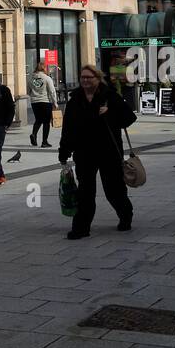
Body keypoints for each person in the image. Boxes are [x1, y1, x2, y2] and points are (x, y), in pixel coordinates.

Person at [58, 63, 136, 239]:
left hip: (108, 151)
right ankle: (81, 228)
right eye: (83, 77)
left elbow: (129, 118)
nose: (85, 80)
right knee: (85, 192)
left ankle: (125, 215)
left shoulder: (110, 96)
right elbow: (68, 128)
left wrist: (110, 113)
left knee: (113, 190)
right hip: (84, 153)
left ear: (97, 78)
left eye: (89, 77)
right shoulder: (75, 99)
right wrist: (64, 151)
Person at [28, 62, 57, 148]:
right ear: (44, 68)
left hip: (34, 102)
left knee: (38, 119)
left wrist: (34, 96)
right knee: (46, 122)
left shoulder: (31, 79)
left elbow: (28, 90)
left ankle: (34, 134)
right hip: (45, 101)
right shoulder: (47, 78)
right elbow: (52, 91)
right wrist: (55, 102)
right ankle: (44, 142)